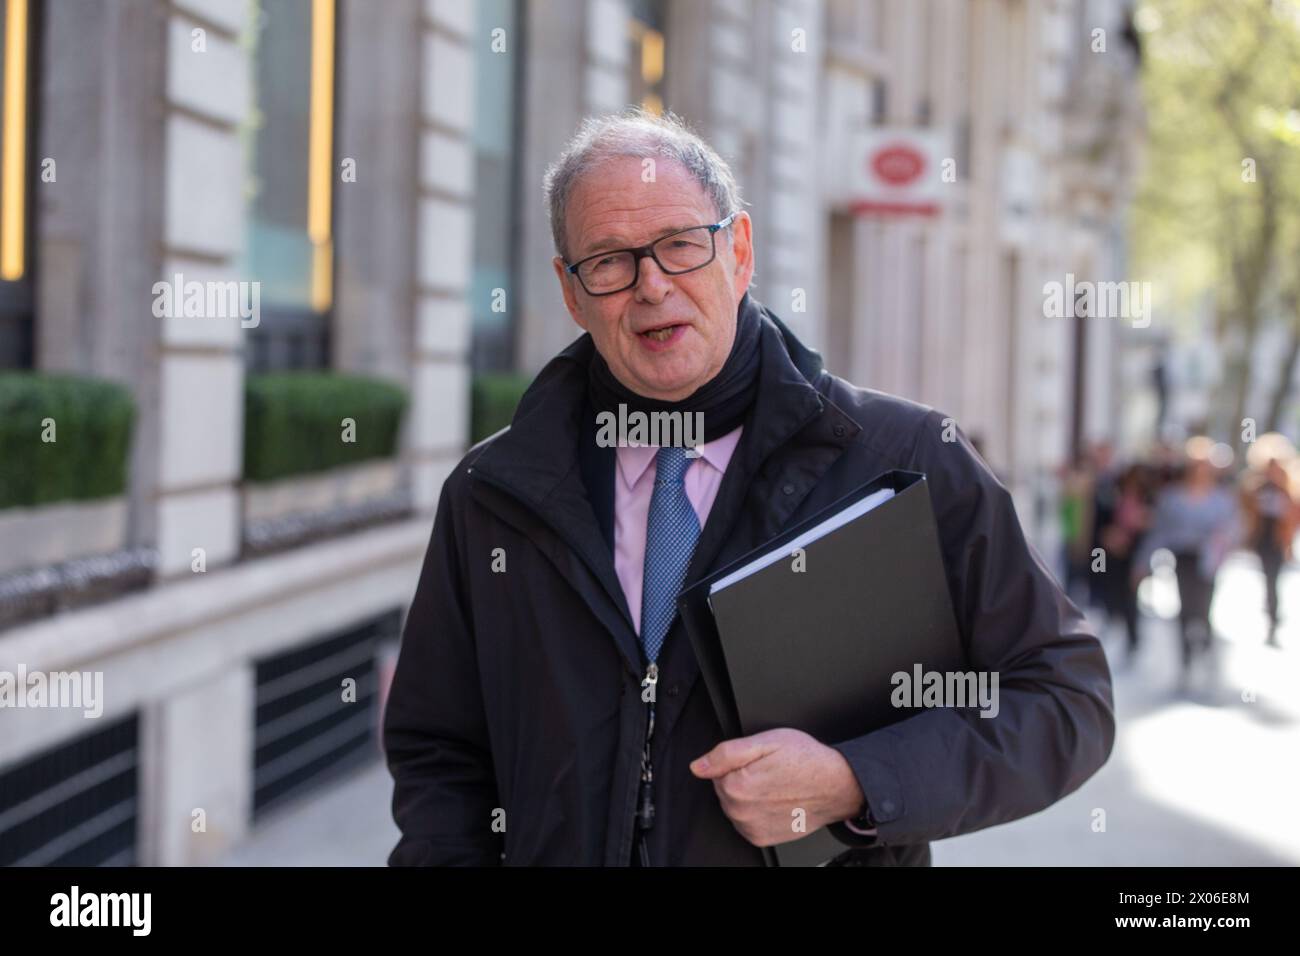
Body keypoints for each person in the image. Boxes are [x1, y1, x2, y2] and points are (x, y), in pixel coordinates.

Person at [382, 109, 1115, 867]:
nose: (652, 287)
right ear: (571, 294)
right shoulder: (490, 494)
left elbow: (1067, 701)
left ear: (739, 250)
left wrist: (856, 781)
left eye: (679, 245)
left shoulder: (907, 459)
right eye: (608, 261)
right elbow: (441, 755)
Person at [1133, 440, 1239, 678]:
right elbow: (1160, 530)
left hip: (1208, 559)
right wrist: (1142, 563)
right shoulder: (1173, 497)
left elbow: (1232, 528)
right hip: (1183, 557)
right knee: (1184, 607)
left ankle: (1206, 649)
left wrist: (1220, 543)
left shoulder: (1221, 498)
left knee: (1203, 607)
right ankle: (1186, 659)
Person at [1097, 464, 1151, 662]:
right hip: (1114, 556)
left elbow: (1150, 530)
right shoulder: (1113, 498)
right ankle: (1113, 619)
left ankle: (1132, 639)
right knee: (1114, 592)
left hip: (1133, 556)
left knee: (1131, 598)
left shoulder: (1147, 501)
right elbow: (1102, 524)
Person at [1241, 458, 1298, 646]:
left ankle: (1273, 616)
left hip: (1277, 542)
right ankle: (1270, 611)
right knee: (1267, 578)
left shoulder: (1286, 493)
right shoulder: (1258, 490)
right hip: (1262, 540)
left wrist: (1287, 544)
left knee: (1272, 580)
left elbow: (1291, 519)